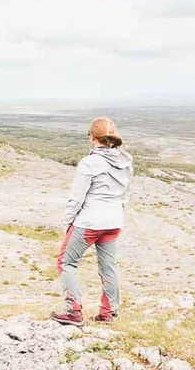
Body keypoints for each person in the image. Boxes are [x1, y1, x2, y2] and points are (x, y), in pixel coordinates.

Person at [51, 117, 133, 326]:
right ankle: (108, 313)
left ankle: (73, 311)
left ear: (92, 137)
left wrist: (68, 223)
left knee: (66, 262)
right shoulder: (126, 160)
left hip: (89, 221)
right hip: (114, 221)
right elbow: (125, 194)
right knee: (109, 267)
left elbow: (77, 198)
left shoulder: (89, 162)